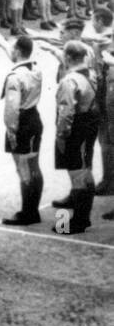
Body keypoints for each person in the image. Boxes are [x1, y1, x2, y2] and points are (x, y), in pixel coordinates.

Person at [52, 40, 99, 234]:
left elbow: (66, 112)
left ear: (68, 57)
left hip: (76, 128)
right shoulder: (91, 73)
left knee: (77, 173)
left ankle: (80, 220)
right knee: (85, 168)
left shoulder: (69, 80)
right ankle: (82, 215)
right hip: (89, 123)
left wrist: (61, 136)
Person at [0, 34, 44, 225]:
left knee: (23, 168)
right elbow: (18, 59)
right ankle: (33, 208)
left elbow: (11, 108)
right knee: (34, 166)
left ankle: (28, 212)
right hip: (34, 117)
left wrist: (11, 130)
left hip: (21, 123)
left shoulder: (14, 77)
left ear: (17, 51)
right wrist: (1, 43)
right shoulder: (35, 68)